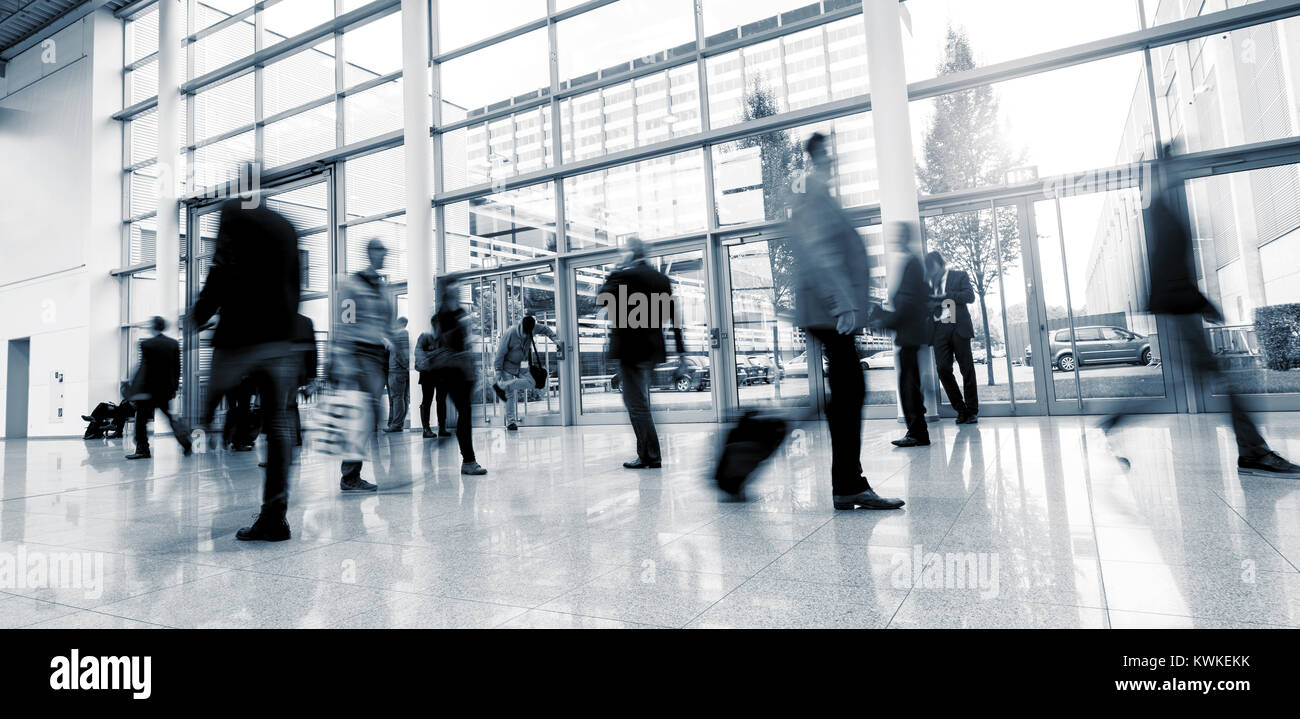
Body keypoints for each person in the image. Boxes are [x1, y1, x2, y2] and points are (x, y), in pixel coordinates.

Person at [1101, 148, 1299, 477]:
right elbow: (1168, 267)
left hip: (1179, 309)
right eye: (1178, 164)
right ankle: (1253, 451)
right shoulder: (1162, 208)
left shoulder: (1164, 206)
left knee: (1185, 386)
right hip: (1179, 311)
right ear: (1165, 170)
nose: (1184, 170)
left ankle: (1113, 421)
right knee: (1219, 379)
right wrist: (1203, 303)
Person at [790, 132, 903, 510]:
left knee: (846, 394)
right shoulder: (813, 192)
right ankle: (848, 485)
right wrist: (841, 304)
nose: (834, 161)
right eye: (828, 154)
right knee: (849, 392)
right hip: (828, 312)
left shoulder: (817, 193)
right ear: (816, 156)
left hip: (828, 309)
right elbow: (821, 254)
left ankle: (848, 484)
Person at [190, 184, 301, 542]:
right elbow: (298, 282)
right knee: (279, 426)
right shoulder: (285, 225)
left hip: (240, 335)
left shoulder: (233, 213)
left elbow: (221, 269)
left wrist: (198, 314)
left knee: (212, 395)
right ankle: (275, 518)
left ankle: (196, 429)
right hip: (279, 338)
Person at [598, 237, 685, 470]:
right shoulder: (661, 279)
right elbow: (675, 318)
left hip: (630, 349)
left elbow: (601, 297)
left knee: (636, 404)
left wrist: (617, 269)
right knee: (639, 402)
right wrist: (681, 355)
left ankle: (650, 456)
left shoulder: (625, 275)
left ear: (631, 253)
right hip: (652, 349)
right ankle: (648, 454)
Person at [332, 237, 394, 492]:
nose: (383, 255)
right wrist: (344, 358)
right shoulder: (353, 285)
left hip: (375, 354)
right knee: (361, 415)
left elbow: (385, 322)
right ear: (369, 252)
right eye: (379, 250)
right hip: (358, 353)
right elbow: (344, 323)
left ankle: (351, 472)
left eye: (384, 251)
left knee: (370, 416)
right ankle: (350, 475)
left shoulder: (381, 287)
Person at [878, 221, 932, 448]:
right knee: (911, 385)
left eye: (897, 234)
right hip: (910, 335)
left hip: (909, 335)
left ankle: (918, 433)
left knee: (909, 386)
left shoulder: (911, 263)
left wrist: (885, 319)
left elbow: (908, 303)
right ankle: (918, 431)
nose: (894, 239)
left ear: (905, 237)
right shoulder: (912, 262)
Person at [431, 279, 487, 475]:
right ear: (445, 292)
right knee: (464, 413)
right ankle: (469, 460)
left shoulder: (461, 313)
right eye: (453, 288)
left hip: (464, 370)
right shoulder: (440, 317)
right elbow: (443, 343)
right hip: (450, 371)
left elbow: (467, 343)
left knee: (465, 414)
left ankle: (468, 460)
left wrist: (474, 370)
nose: (457, 292)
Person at [124, 316, 192, 459]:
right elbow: (177, 368)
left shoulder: (147, 344)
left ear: (153, 327)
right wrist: (174, 388)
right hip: (165, 390)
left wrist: (134, 388)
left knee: (141, 421)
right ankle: (185, 442)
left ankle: (143, 450)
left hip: (148, 390)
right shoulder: (173, 344)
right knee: (169, 417)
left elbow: (144, 368)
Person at [926, 250, 979, 424]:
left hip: (958, 327)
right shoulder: (929, 283)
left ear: (941, 265)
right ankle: (960, 409)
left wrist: (945, 296)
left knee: (967, 370)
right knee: (942, 369)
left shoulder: (959, 276)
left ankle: (971, 411)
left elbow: (969, 297)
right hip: (939, 330)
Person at [491, 314, 557, 431]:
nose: (526, 335)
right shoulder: (510, 333)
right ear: (520, 325)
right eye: (524, 333)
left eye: (529, 333)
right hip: (508, 365)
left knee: (532, 382)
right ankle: (511, 422)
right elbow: (500, 354)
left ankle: (504, 385)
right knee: (510, 395)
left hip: (523, 364)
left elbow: (545, 329)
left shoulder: (533, 327)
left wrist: (555, 339)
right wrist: (498, 372)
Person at [414, 315, 450, 439]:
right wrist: (437, 354)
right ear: (434, 325)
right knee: (427, 400)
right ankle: (426, 429)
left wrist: (432, 356)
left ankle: (442, 428)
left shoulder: (445, 339)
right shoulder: (424, 337)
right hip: (427, 374)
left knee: (441, 401)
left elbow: (448, 356)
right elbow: (419, 356)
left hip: (442, 373)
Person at [384, 316, 410, 433]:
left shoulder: (401, 334)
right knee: (401, 397)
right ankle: (397, 423)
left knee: (398, 398)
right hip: (401, 371)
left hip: (396, 371)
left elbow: (399, 353)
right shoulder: (403, 335)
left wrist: (403, 365)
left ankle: (396, 424)